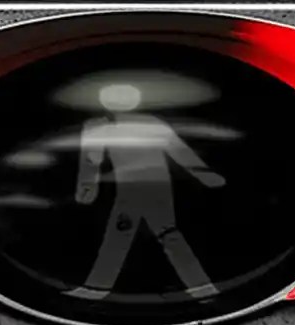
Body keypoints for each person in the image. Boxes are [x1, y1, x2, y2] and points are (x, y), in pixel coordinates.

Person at [67, 83, 227, 300]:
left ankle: (96, 288)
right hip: (144, 186)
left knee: (133, 235)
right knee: (159, 235)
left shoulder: (104, 126)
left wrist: (86, 190)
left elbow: (92, 161)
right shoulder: (124, 125)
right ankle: (202, 288)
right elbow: (181, 152)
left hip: (144, 187)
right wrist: (207, 176)